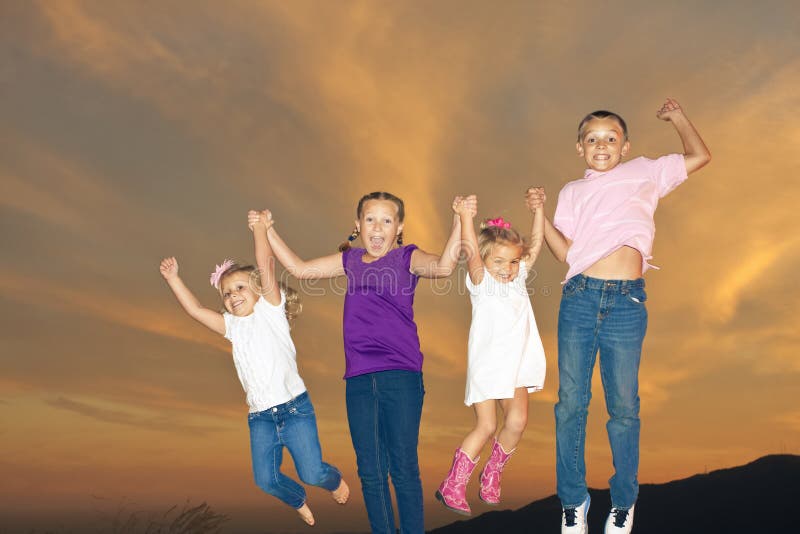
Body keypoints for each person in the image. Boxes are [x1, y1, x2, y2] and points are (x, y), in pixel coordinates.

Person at [532, 98, 711, 534]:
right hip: (579, 297)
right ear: (579, 148)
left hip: (626, 303)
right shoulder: (572, 192)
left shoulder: (647, 171)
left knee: (624, 407)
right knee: (570, 405)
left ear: (626, 146)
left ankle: (623, 503)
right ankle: (573, 502)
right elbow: (565, 253)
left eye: (611, 138)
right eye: (592, 138)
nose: (601, 144)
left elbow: (700, 156)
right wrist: (539, 213)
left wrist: (677, 118)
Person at [262, 192, 462, 534]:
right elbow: (301, 269)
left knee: (403, 467)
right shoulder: (350, 260)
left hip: (401, 376)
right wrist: (267, 230)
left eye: (387, 220)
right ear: (358, 225)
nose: (378, 227)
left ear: (399, 227)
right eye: (370, 219)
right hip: (358, 380)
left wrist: (459, 219)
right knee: (370, 470)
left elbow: (443, 267)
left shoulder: (407, 258)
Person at [158, 211, 349, 527]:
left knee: (312, 472)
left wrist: (260, 229)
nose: (233, 296)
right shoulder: (231, 327)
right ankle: (297, 499)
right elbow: (194, 310)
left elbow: (265, 264)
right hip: (260, 418)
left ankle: (333, 481)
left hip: (295, 410)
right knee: (266, 481)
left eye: (240, 288)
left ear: (259, 289)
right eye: (227, 293)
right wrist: (173, 278)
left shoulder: (270, 310)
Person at [435, 192, 547, 516]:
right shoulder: (481, 281)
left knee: (518, 420)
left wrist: (538, 211)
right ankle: (453, 484)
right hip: (487, 366)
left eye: (512, 261)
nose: (507, 268)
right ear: (485, 261)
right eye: (498, 261)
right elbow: (470, 249)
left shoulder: (518, 278)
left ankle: (492, 472)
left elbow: (535, 245)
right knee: (486, 426)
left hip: (516, 367)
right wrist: (465, 218)